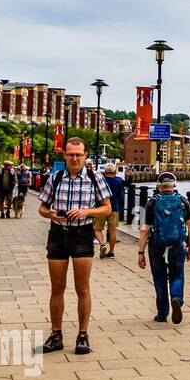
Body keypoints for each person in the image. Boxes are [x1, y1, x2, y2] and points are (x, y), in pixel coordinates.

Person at [38, 138, 111, 355]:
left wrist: (85, 211)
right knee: (57, 287)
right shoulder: (56, 177)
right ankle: (56, 334)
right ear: (64, 155)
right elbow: (42, 207)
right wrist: (49, 214)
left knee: (82, 288)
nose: (75, 158)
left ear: (86, 155)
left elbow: (107, 208)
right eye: (71, 154)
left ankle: (82, 335)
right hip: (58, 234)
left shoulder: (94, 178)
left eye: (79, 154)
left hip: (82, 234)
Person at [137, 171, 190, 324]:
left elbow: (145, 228)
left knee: (159, 279)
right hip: (177, 245)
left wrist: (141, 252)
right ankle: (176, 297)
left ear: (158, 186)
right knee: (177, 275)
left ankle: (162, 313)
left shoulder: (152, 202)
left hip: (157, 245)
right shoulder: (183, 201)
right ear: (174, 185)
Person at [94, 163, 126, 258]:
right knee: (112, 231)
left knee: (97, 229)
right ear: (115, 172)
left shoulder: (101, 181)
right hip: (114, 208)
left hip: (102, 208)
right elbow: (121, 195)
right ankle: (111, 252)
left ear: (104, 172)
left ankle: (102, 244)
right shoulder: (119, 181)